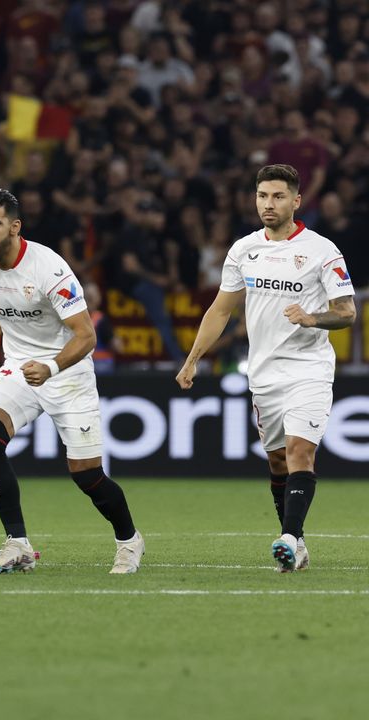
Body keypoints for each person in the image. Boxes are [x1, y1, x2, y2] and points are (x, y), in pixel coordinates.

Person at [177, 164, 355, 572]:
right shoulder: (244, 250)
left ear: (296, 201)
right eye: (262, 196)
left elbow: (346, 313)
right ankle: (299, 542)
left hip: (309, 368)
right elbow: (221, 310)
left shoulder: (322, 251)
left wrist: (312, 317)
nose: (268, 204)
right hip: (263, 374)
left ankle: (288, 538)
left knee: (300, 452)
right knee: (277, 462)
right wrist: (192, 359)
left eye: (277, 197)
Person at [0, 188, 143, 574]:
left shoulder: (49, 269)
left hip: (68, 373)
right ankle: (18, 543)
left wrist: (52, 369)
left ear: (15, 226)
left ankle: (129, 540)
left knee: (87, 475)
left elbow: (86, 336)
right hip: (19, 368)